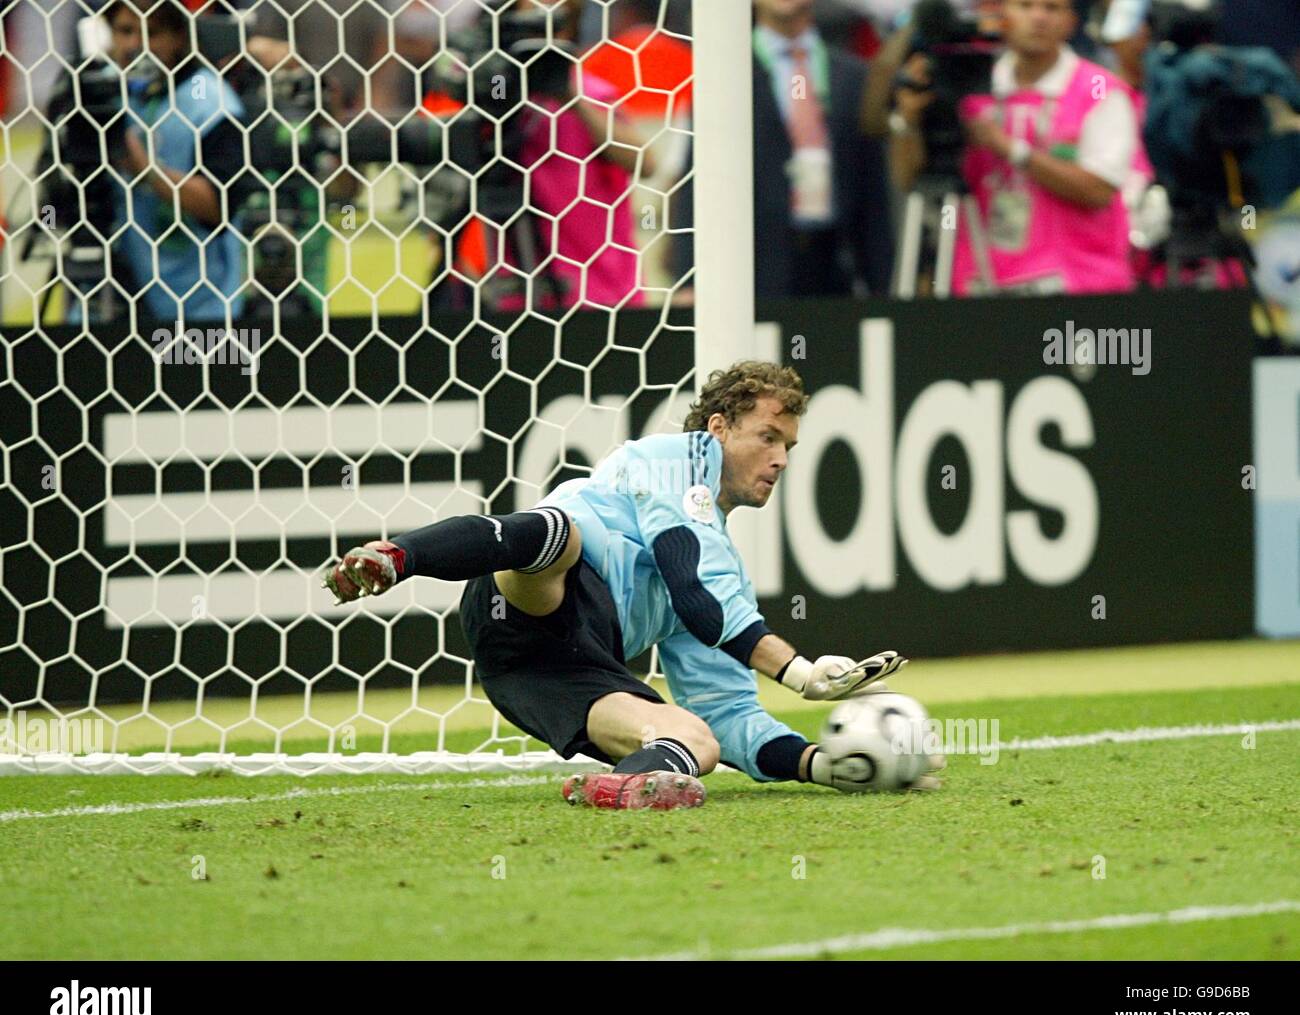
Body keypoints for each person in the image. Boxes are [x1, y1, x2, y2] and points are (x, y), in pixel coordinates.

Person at [322, 362, 939, 809]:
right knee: (558, 536)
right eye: (769, 438)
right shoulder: (669, 461)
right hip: (528, 595)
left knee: (694, 742)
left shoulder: (723, 572)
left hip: (541, 674)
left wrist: (823, 765)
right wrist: (798, 671)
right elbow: (690, 588)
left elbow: (729, 714)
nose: (781, 460)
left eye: (790, 446)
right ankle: (396, 557)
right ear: (718, 429)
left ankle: (620, 787)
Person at [891, 0, 1138, 295]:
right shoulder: (972, 85)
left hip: (1077, 288)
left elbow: (1099, 190)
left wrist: (1012, 151)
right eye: (1025, 5)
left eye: (1052, 8)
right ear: (1003, 15)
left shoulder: (1098, 89)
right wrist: (908, 122)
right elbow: (909, 179)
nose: (1038, 18)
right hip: (983, 282)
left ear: (1071, 21)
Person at [752, 0, 894, 297]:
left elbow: (874, 191)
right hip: (754, 265)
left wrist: (884, 282)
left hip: (835, 265)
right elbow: (696, 178)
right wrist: (689, 277)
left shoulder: (856, 76)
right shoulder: (722, 75)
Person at [116, 0, 247, 322]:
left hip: (201, 306)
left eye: (152, 33)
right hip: (111, 295)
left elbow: (219, 205)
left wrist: (146, 170)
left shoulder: (210, 102)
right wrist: (49, 216)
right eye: (125, 31)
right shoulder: (97, 94)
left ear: (180, 37)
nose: (136, 45)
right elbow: (50, 207)